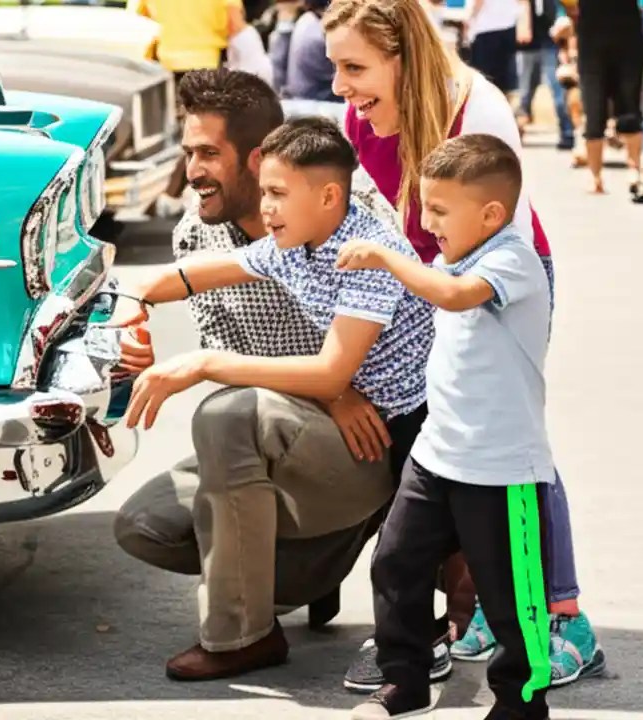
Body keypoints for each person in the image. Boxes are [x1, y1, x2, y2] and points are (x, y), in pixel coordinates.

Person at [322, 0, 604, 690]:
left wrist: (414, 280)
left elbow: (492, 241)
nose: (340, 87)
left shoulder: (475, 108)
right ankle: (463, 613)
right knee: (446, 444)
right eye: (335, 67)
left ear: (403, 57)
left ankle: (562, 617)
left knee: (509, 443)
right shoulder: (356, 120)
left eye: (355, 67)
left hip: (491, 286)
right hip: (425, 283)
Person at [112, 100, 436, 680]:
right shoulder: (292, 244)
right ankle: (302, 575)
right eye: (264, 192)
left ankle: (243, 635)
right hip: (329, 433)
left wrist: (205, 363)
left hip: (385, 448)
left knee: (226, 414)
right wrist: (132, 305)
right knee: (144, 524)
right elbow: (180, 279)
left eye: (279, 194)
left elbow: (331, 375)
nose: (266, 207)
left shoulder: (364, 252)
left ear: (330, 198)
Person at [339, 134, 553, 720]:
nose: (426, 221)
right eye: (425, 207)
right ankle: (403, 682)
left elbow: (456, 298)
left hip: (501, 467)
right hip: (436, 456)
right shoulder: (454, 254)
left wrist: (386, 257)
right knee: (396, 564)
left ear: (491, 213)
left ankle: (520, 702)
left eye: (438, 210)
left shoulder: (512, 258)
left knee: (512, 599)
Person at [130, 0, 274, 216]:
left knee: (189, 134)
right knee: (205, 135)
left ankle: (175, 195)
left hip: (164, 61)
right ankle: (178, 196)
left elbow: (137, 19)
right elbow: (234, 23)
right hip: (205, 61)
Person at [568, 0, 643, 197]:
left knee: (630, 110)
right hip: (591, 40)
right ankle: (595, 177)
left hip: (627, 37)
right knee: (594, 111)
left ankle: (634, 170)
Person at [515, 0, 576, 151]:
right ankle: (515, 134)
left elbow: (566, 13)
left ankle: (567, 133)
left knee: (558, 91)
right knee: (524, 94)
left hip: (550, 44)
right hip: (526, 46)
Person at [465, 0, 520, 94]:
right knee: (504, 84)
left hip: (486, 29)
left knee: (484, 81)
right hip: (508, 26)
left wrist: (469, 18)